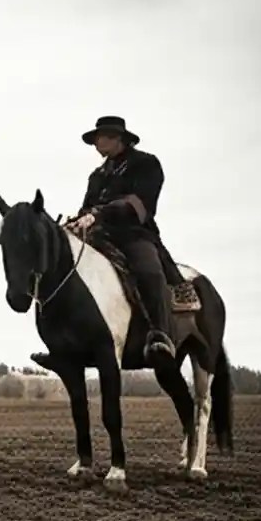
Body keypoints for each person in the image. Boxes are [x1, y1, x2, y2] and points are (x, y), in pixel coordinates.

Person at [60, 115, 179, 368]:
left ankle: (161, 335)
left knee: (149, 271)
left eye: (99, 138)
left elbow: (140, 202)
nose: (96, 144)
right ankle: (64, 342)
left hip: (134, 233)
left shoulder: (146, 164)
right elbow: (87, 207)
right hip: (98, 235)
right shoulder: (97, 175)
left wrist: (98, 214)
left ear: (117, 138)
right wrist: (77, 221)